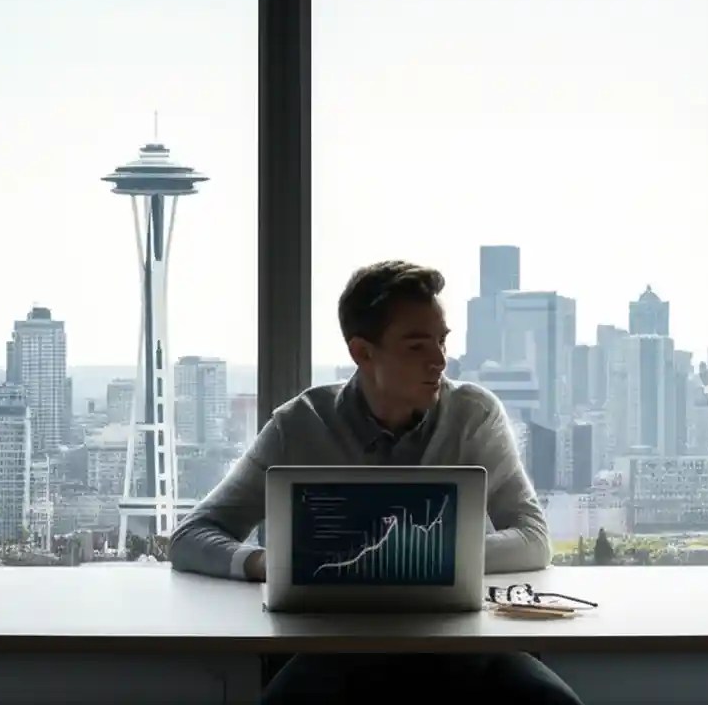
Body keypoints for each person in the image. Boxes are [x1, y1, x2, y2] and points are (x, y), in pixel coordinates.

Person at [169, 260, 584, 705]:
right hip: (333, 647)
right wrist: (263, 563)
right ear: (362, 353)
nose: (440, 360)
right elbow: (191, 535)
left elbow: (533, 538)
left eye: (442, 341)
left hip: (460, 642)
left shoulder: (473, 416)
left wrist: (420, 561)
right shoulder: (300, 425)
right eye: (417, 346)